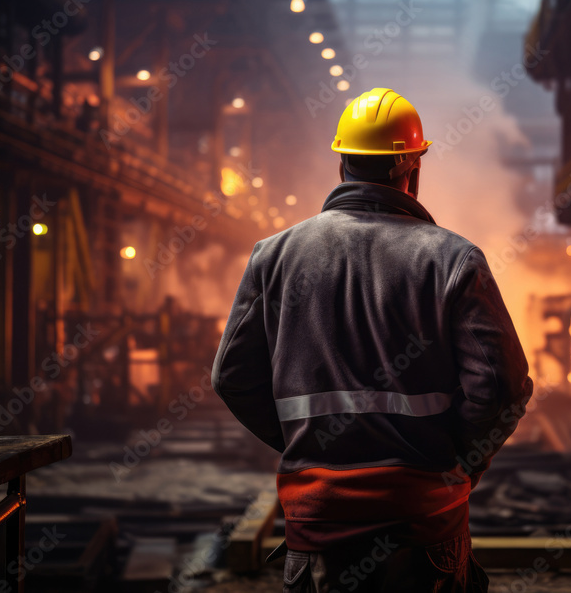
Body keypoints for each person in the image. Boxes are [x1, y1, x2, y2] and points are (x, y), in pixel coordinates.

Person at [212, 87, 533, 592]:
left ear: (341, 164)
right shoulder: (452, 259)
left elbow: (231, 377)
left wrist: (309, 443)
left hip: (320, 522)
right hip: (422, 522)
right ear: (414, 170)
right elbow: (502, 386)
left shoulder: (273, 257)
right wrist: (459, 464)